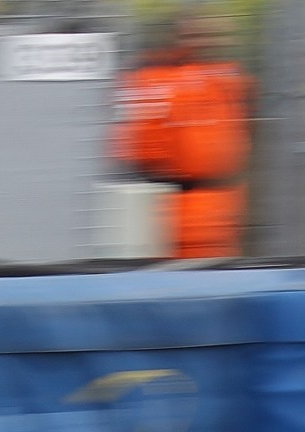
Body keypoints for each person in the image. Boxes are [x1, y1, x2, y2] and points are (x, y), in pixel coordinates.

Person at [112, 10, 250, 259]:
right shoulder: (153, 81)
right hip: (173, 209)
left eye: (216, 36)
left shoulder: (227, 79)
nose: (210, 42)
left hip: (217, 211)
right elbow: (136, 148)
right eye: (197, 35)